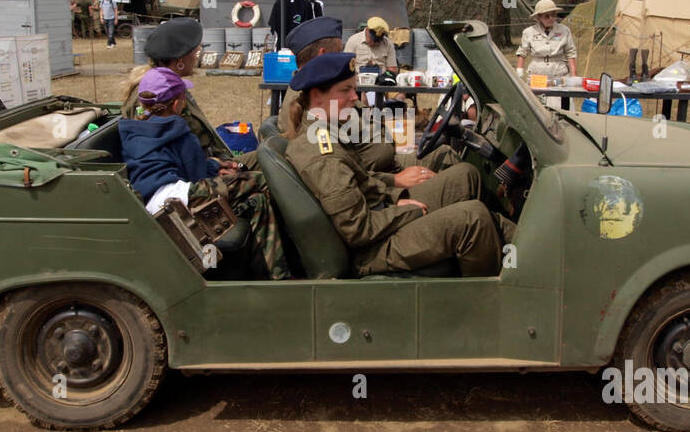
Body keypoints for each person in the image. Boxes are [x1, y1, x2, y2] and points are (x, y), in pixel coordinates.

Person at [284, 52, 514, 277]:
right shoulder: (324, 155)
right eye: (345, 90)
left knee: (465, 176)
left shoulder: (326, 129)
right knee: (472, 219)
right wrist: (407, 210)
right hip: (370, 250)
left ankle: (525, 244)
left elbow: (361, 180)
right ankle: (488, 300)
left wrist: (394, 196)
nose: (354, 97)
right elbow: (358, 230)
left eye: (353, 88)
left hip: (379, 215)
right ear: (316, 96)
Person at [118, 67, 289, 280]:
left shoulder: (141, 128)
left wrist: (215, 167)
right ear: (177, 103)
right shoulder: (173, 128)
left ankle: (273, 276)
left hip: (168, 197)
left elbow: (184, 166)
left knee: (257, 201)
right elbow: (191, 173)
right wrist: (218, 173)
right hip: (175, 201)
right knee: (261, 180)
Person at [277, 15, 455, 176]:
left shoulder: (327, 92)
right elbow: (337, 164)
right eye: (339, 52)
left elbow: (366, 122)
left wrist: (400, 142)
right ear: (323, 54)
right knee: (449, 160)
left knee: (443, 155)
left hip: (385, 162)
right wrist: (394, 181)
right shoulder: (316, 99)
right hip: (375, 173)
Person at [123, 16, 259, 170]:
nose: (197, 57)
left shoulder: (171, 86)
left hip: (212, 163)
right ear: (180, 61)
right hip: (201, 173)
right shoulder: (153, 93)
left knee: (273, 154)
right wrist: (215, 168)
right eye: (194, 53)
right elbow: (163, 155)